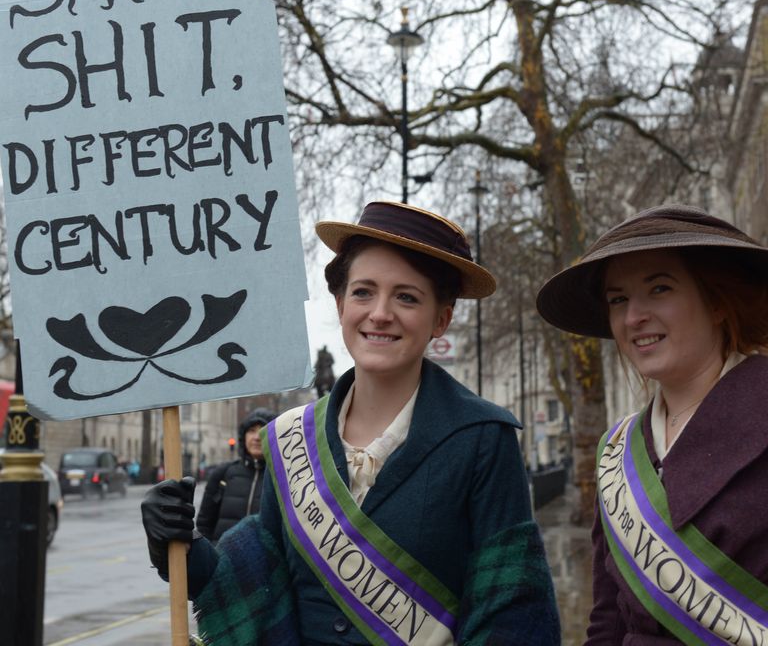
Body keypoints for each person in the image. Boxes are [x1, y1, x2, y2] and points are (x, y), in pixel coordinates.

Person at [141, 200, 560, 645]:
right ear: (340, 304)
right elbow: (260, 582)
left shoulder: (482, 440)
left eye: (407, 296)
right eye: (363, 292)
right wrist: (180, 545)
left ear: (442, 318)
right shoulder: (288, 439)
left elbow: (509, 615)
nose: (380, 312)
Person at [535, 204, 768, 645]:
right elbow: (607, 619)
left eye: (659, 288)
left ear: (717, 301)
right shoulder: (617, 449)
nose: (632, 316)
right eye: (618, 299)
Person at [196, 407, 276, 543]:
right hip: (222, 560)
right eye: (251, 431)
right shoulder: (223, 474)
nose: (257, 437)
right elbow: (204, 524)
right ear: (243, 436)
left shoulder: (283, 477)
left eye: (263, 430)